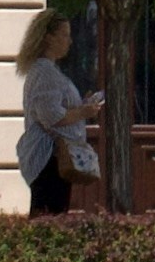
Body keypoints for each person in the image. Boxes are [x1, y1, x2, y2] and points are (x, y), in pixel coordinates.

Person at [15, 12, 98, 219]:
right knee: (49, 216)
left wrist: (81, 106)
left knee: (52, 215)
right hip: (49, 158)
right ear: (48, 37)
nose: (69, 41)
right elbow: (52, 117)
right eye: (64, 35)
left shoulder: (48, 71)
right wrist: (84, 111)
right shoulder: (45, 73)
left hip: (52, 157)